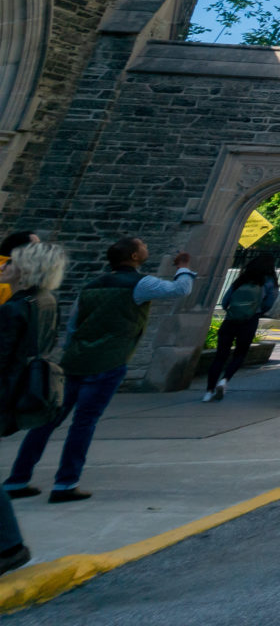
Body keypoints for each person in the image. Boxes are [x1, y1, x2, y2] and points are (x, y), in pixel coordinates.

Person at [5, 239, 196, 505]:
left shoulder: (92, 285)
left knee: (47, 419)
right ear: (134, 256)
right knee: (84, 423)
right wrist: (184, 266)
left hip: (75, 360)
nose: (145, 247)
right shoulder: (140, 284)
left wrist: (71, 354)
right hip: (109, 360)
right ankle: (66, 483)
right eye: (142, 246)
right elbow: (180, 290)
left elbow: (74, 325)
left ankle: (17, 479)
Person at [0, 245, 66, 569]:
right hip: (22, 392)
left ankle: (10, 547)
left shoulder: (14, 309)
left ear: (26, 268)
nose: (4, 266)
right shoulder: (46, 302)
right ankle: (10, 546)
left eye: (11, 262)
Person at [202, 248, 278, 402]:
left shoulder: (241, 279)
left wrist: (234, 310)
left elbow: (225, 302)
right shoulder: (270, 282)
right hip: (250, 320)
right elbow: (269, 304)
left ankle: (208, 392)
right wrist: (255, 310)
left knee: (220, 356)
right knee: (239, 354)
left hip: (230, 320)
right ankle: (225, 380)